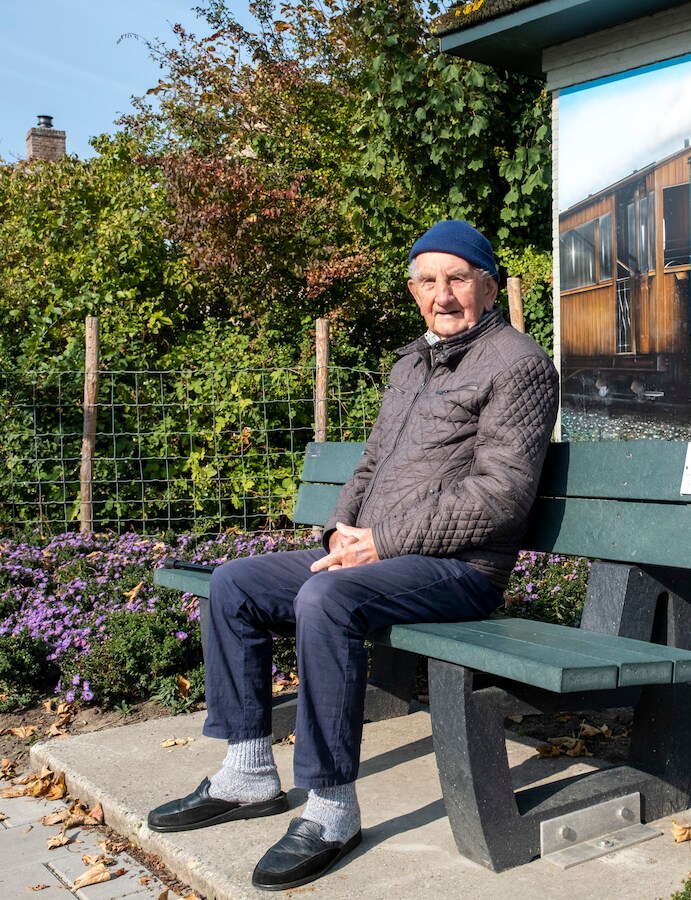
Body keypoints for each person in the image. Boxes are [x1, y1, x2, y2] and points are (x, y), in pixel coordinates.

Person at [146, 220, 559, 891]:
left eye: (457, 279)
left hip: (460, 569)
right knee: (235, 585)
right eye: (428, 281)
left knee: (327, 597)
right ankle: (247, 773)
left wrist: (383, 541)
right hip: (377, 557)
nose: (443, 295)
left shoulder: (519, 364)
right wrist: (341, 530)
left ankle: (332, 810)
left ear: (487, 286)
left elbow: (501, 495)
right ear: (413, 291)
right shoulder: (411, 363)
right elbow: (372, 464)